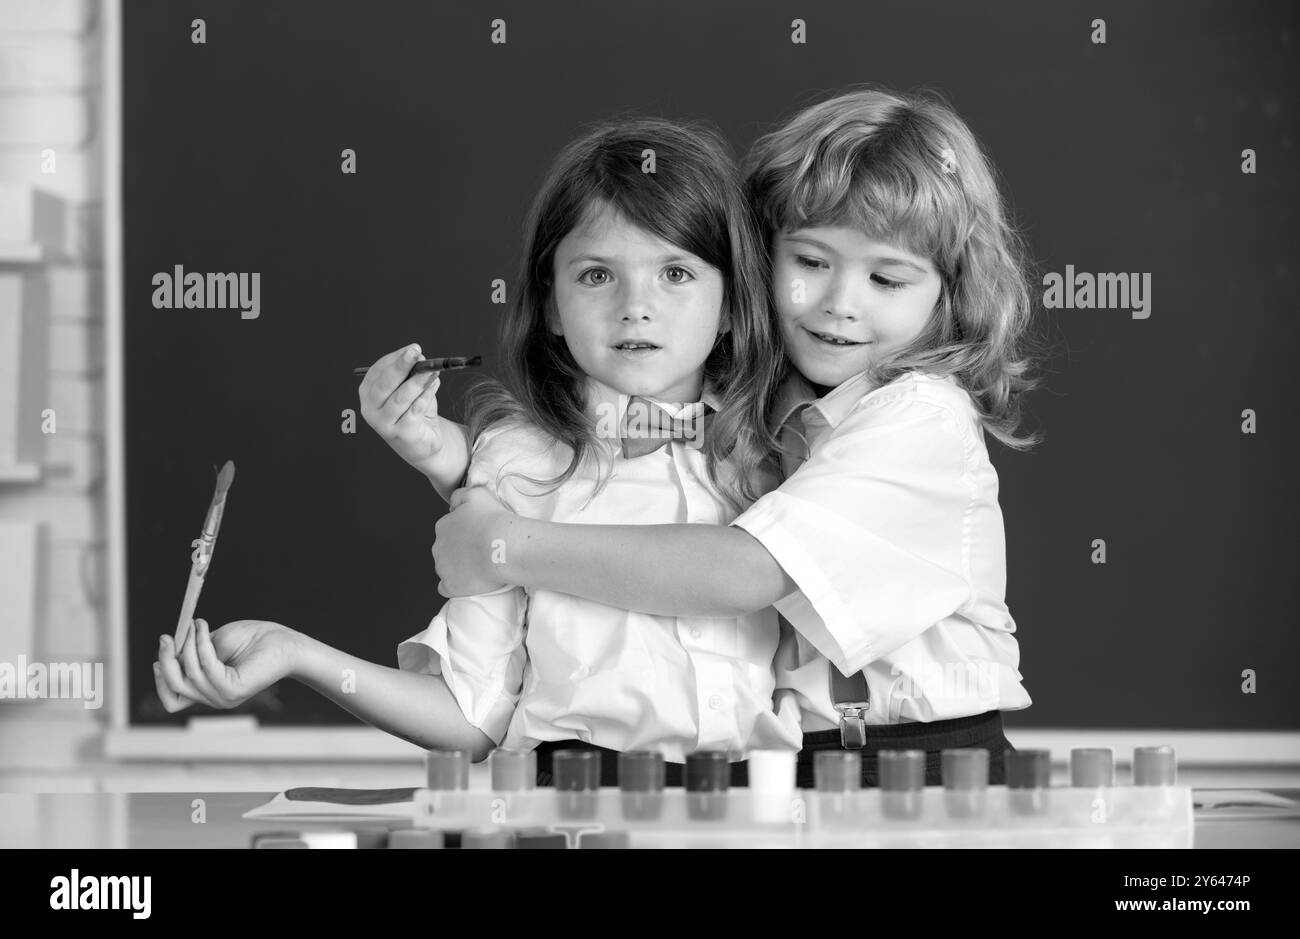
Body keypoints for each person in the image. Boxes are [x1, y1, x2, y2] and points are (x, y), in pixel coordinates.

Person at [153, 117, 802, 784]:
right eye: (597, 275)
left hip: (757, 809)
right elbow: (471, 716)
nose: (636, 306)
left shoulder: (784, 457)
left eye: (675, 272)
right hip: (569, 804)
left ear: (731, 303)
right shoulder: (515, 469)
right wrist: (297, 653)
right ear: (551, 306)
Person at [431, 87, 1039, 787]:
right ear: (758, 262)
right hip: (801, 773)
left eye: (887, 278)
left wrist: (507, 546)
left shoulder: (920, 418)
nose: (839, 302)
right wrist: (450, 458)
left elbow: (743, 571)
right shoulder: (764, 410)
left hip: (930, 764)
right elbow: (594, 475)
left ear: (949, 294)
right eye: (810, 262)